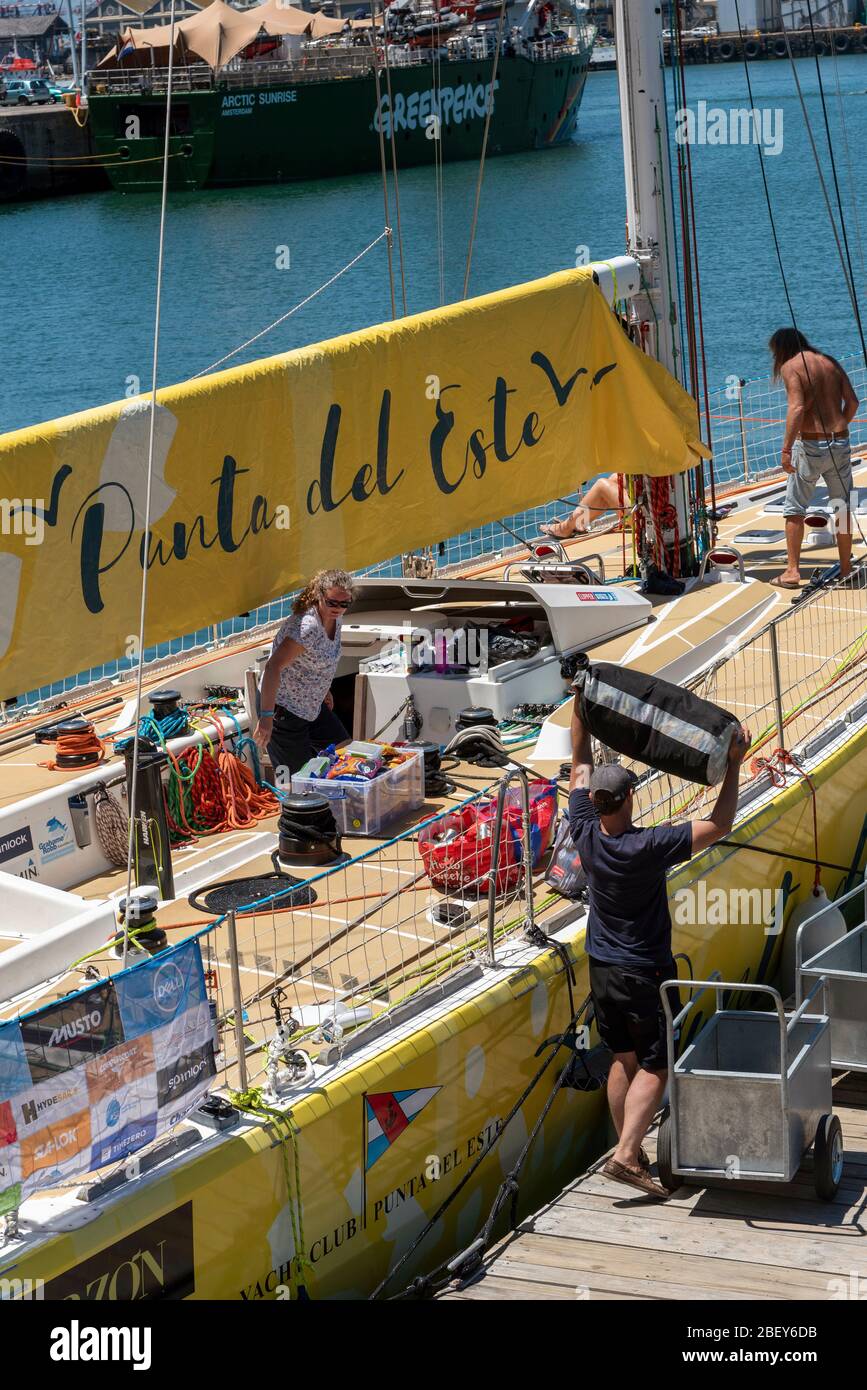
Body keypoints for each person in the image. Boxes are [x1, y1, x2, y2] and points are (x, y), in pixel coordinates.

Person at [569, 703, 751, 1198]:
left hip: (602, 969)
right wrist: (734, 764)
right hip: (643, 972)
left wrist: (580, 712)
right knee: (656, 1064)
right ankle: (627, 1156)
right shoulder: (648, 846)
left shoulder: (583, 829)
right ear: (628, 797)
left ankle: (629, 1148)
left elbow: (579, 765)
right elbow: (720, 824)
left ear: (596, 801)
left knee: (622, 1058)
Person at [769, 328, 858, 589]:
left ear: (781, 349)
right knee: (843, 507)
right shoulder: (829, 362)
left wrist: (786, 449)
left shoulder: (790, 367)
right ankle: (845, 568)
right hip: (840, 443)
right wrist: (838, 429)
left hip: (809, 446)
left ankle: (792, 571)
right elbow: (853, 402)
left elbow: (797, 408)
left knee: (795, 508)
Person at [253, 569, 356, 780]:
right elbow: (272, 667)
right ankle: (287, 800)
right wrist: (266, 718)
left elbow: (320, 660)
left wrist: (324, 689)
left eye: (344, 604)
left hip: (310, 705)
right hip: (282, 709)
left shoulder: (336, 619)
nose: (338, 608)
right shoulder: (307, 627)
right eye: (332, 602)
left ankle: (325, 792)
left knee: (343, 749)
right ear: (319, 596)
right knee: (291, 779)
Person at [540, 474, 627, 540]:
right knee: (616, 478)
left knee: (601, 485)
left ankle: (566, 528)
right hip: (634, 512)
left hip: (635, 517)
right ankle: (578, 523)